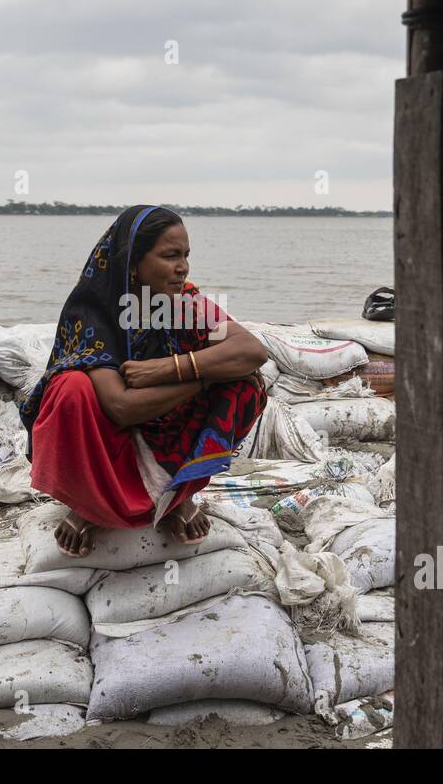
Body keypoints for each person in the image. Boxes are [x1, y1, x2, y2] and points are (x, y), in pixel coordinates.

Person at [19, 205, 270, 558]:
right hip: (111, 440)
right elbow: (122, 408)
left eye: (185, 256)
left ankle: (176, 496)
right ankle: (90, 504)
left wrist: (170, 369)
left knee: (245, 384)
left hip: (166, 429)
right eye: (169, 256)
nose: (182, 266)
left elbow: (252, 350)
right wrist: (204, 378)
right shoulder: (94, 315)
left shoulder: (184, 304)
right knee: (71, 389)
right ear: (133, 265)